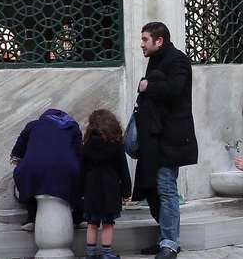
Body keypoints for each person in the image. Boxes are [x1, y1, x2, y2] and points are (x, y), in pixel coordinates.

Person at [132, 22, 199, 259]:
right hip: (154, 138)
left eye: (145, 40)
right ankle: (164, 238)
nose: (141, 44)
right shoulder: (157, 59)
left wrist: (147, 86)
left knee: (166, 188)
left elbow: (174, 90)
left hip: (171, 138)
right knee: (151, 188)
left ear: (159, 41)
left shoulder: (178, 60)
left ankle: (170, 243)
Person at [10, 109, 83, 231]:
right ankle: (78, 217)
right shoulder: (72, 126)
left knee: (28, 178)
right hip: (66, 168)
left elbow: (17, 153)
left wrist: (20, 164)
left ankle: (32, 219)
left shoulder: (32, 125)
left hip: (34, 168)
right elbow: (78, 153)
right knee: (78, 180)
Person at [81, 109, 131, 259]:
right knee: (108, 223)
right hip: (111, 190)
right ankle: (107, 253)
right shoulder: (116, 145)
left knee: (92, 223)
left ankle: (90, 254)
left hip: (91, 190)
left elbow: (82, 170)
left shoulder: (87, 145)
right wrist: (126, 191)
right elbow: (123, 170)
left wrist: (81, 190)